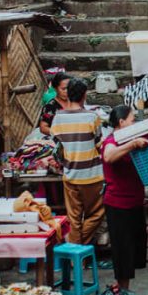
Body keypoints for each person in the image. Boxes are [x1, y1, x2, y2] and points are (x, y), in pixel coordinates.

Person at [101, 106, 148, 295]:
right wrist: (132, 145)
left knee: (133, 253)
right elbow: (109, 155)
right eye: (132, 120)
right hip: (118, 205)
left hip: (135, 203)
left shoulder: (128, 140)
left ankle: (124, 293)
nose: (134, 124)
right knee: (123, 254)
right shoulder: (111, 141)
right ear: (121, 123)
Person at [50, 78, 105, 244]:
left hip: (70, 174)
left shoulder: (58, 118)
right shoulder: (92, 117)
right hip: (92, 175)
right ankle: (80, 246)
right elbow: (98, 144)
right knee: (96, 214)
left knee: (74, 218)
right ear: (84, 96)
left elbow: (57, 145)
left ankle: (76, 254)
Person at [39, 72, 71, 136]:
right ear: (55, 89)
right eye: (63, 89)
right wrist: (59, 133)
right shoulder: (50, 106)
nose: (66, 91)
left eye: (69, 88)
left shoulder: (73, 101)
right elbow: (43, 128)